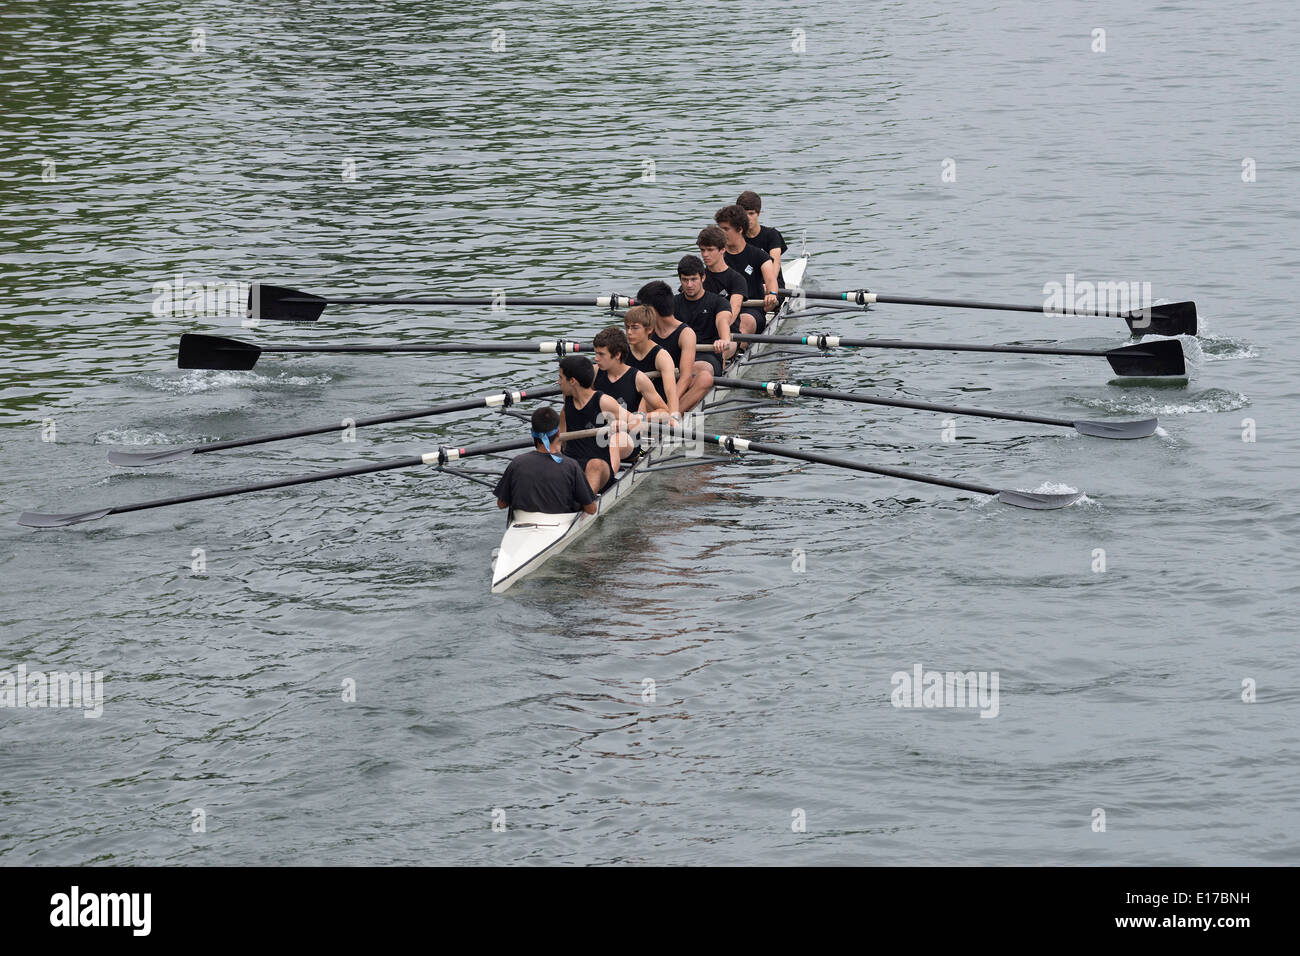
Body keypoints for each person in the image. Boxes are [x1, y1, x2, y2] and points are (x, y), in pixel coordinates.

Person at [494, 406, 597, 517]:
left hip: (522, 523)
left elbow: (501, 504)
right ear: (558, 432)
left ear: (532, 433)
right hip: (560, 524)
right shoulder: (571, 466)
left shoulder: (517, 463)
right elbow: (591, 509)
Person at [556, 354, 637, 494]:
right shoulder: (566, 408)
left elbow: (635, 421)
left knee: (595, 465)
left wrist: (621, 425)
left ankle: (585, 504)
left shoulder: (603, 402)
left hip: (600, 469)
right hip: (574, 466)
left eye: (560, 378)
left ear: (573, 381)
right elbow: (559, 445)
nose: (558, 382)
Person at [637, 279, 712, 411]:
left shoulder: (685, 333)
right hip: (651, 387)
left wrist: (670, 404)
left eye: (643, 309)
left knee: (705, 378)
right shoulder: (645, 331)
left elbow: (685, 377)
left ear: (652, 310)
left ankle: (672, 414)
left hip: (674, 387)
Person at [714, 203, 778, 334]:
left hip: (751, 310)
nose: (721, 234)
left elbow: (771, 282)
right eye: (720, 229)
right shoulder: (716, 256)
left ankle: (737, 351)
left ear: (740, 229)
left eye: (726, 229)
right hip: (722, 310)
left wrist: (771, 295)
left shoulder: (760, 256)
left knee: (745, 322)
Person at [673, 255, 734, 375]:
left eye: (694, 279)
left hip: (708, 356)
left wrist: (724, 340)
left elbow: (723, 321)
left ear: (703, 278)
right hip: (679, 355)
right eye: (685, 280)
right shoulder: (672, 303)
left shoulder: (719, 302)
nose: (689, 285)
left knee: (697, 369)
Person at [593, 326, 667, 419]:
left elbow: (664, 413)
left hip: (627, 430)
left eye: (601, 354)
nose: (596, 358)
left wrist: (641, 417)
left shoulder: (638, 378)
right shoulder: (594, 372)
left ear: (617, 355)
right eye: (595, 353)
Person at [621, 305, 681, 421]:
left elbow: (671, 391)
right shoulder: (622, 352)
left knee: (644, 395)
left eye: (634, 328)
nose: (629, 332)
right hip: (627, 403)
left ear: (649, 329)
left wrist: (674, 417)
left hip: (654, 406)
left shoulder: (661, 356)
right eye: (627, 327)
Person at [697, 225, 747, 327]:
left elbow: (734, 310)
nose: (705, 254)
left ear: (722, 250)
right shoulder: (696, 277)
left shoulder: (737, 279)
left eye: (710, 250)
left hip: (728, 331)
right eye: (702, 250)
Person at [737, 190, 788, 290]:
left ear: (759, 213)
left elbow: (775, 264)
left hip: (773, 286)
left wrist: (769, 285)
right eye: (744, 214)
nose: (747, 218)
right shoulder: (737, 237)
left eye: (751, 214)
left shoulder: (772, 235)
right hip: (747, 288)